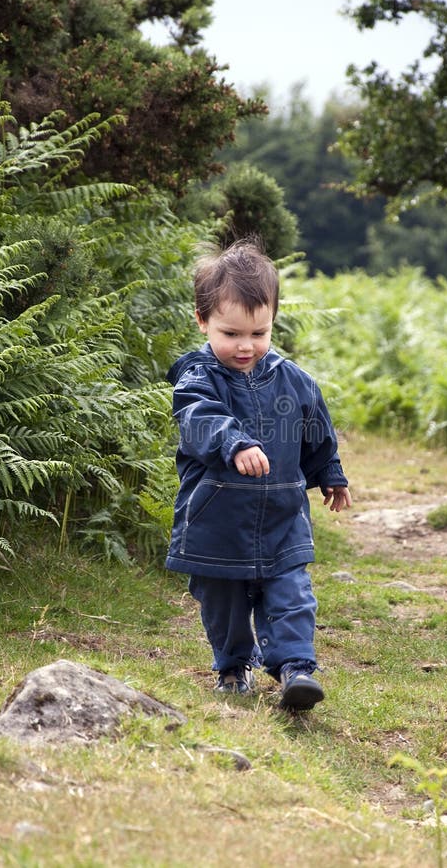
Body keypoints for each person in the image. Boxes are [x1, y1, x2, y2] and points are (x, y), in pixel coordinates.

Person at [165, 240, 352, 711]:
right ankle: (232, 667)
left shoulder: (295, 380)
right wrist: (235, 442)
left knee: (292, 595)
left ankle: (296, 670)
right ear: (202, 321)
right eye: (230, 333)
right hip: (217, 521)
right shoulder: (197, 380)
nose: (245, 346)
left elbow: (317, 429)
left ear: (272, 321)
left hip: (283, 516)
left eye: (258, 333)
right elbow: (200, 419)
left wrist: (329, 471)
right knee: (223, 603)